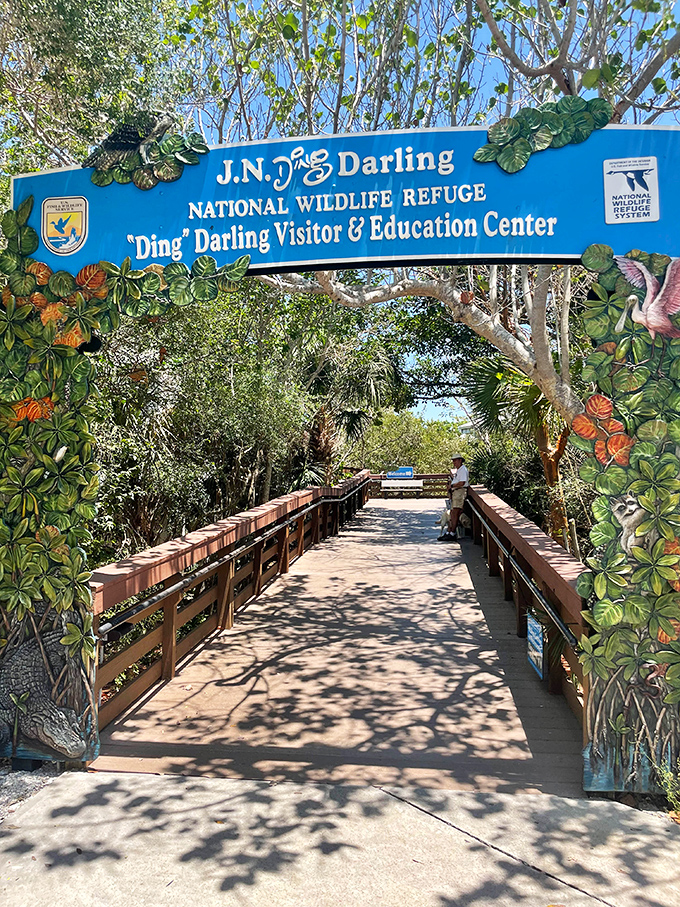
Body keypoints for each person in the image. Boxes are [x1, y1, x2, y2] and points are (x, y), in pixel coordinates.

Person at [439, 454, 469, 541]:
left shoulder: (463, 470)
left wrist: (452, 486)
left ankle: (452, 533)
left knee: (455, 512)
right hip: (456, 492)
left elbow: (462, 483)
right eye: (453, 460)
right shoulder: (458, 470)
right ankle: (449, 531)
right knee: (452, 513)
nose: (453, 462)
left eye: (455, 460)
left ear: (460, 460)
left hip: (460, 492)